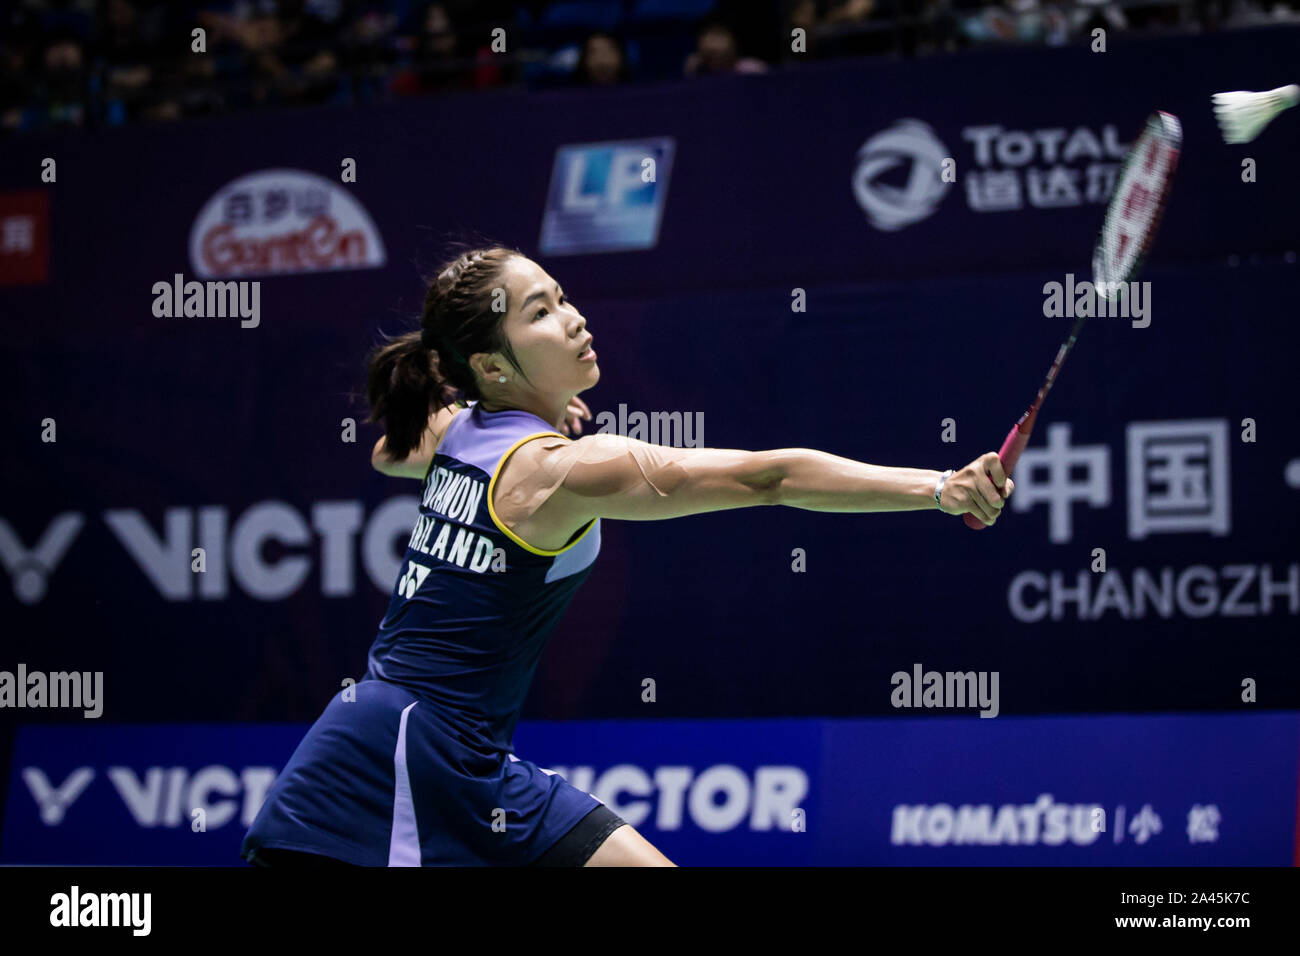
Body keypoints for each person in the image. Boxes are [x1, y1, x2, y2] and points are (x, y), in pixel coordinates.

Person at [241, 244, 1012, 867]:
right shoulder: (563, 470)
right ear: (493, 366)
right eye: (541, 313)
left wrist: (531, 409)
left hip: (435, 748)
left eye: (562, 297)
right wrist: (940, 485)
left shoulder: (459, 431)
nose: (573, 318)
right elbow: (769, 476)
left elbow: (386, 453)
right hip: (406, 757)